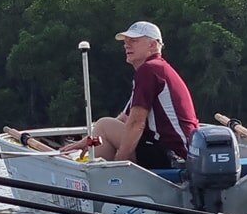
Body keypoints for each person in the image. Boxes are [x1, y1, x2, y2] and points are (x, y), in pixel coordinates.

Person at [62, 21, 198, 168]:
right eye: (126, 42)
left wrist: (120, 162)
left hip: (173, 153)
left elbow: (136, 124)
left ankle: (111, 181)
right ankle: (107, 178)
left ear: (153, 45)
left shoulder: (149, 70)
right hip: (179, 151)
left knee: (104, 125)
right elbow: (125, 118)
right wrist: (89, 141)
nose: (126, 45)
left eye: (134, 41)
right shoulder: (157, 69)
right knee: (103, 128)